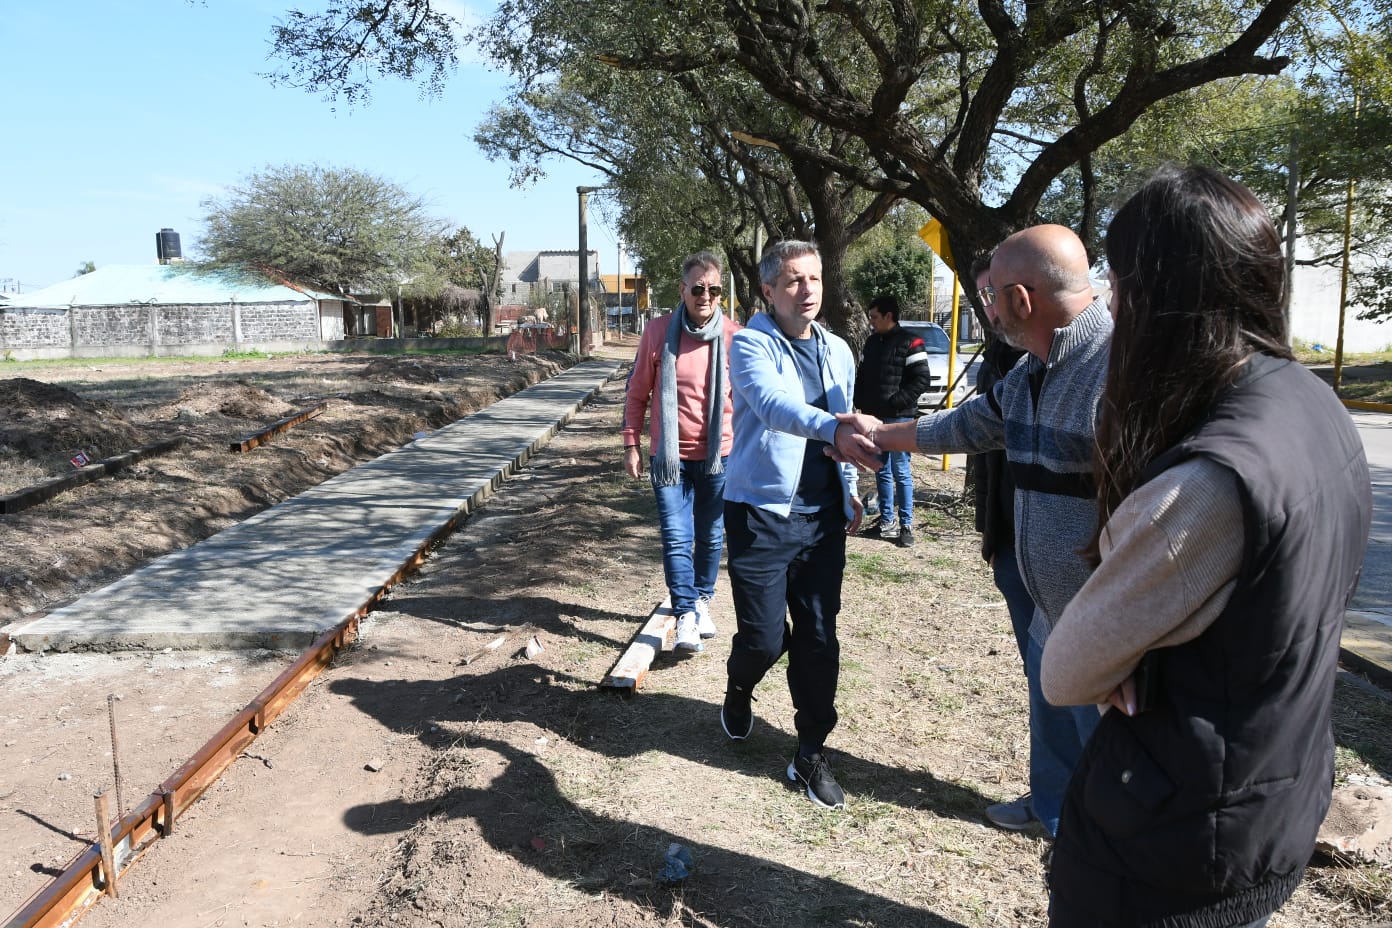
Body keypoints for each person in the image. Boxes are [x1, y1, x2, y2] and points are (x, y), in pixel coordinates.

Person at [1041, 165, 1371, 927]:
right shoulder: (1310, 400)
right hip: (1270, 796)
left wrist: (1127, 657)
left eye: (1120, 283)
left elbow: (1067, 670)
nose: (1112, 304)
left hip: (1174, 846)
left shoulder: (1207, 486)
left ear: (1161, 299)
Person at [848, 224, 1110, 837]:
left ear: (1021, 299)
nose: (987, 307)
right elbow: (968, 425)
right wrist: (880, 434)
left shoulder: (1118, 372)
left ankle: (1093, 842)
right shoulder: (1033, 368)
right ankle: (1052, 810)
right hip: (1051, 611)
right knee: (1051, 714)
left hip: (1104, 630)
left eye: (992, 296)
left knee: (1110, 760)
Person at [720, 239, 880, 810]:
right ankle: (740, 686)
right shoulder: (750, 344)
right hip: (760, 514)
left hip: (822, 518)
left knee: (818, 635)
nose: (807, 289)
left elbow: (846, 425)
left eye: (814, 278)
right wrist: (834, 428)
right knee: (764, 639)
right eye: (793, 280)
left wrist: (849, 488)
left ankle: (810, 751)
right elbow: (772, 406)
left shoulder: (838, 349)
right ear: (769, 290)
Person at [622, 251, 740, 652]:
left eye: (714, 289)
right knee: (676, 537)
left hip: (720, 457)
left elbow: (747, 400)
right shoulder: (658, 332)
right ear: (682, 290)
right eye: (698, 288)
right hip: (669, 458)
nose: (706, 296)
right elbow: (637, 393)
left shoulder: (735, 336)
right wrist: (631, 443)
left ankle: (702, 599)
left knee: (710, 535)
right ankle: (686, 614)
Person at [853, 294, 934, 548]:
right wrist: (859, 400)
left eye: (874, 317)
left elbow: (921, 379)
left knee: (901, 471)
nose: (871, 321)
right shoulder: (871, 342)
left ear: (889, 316)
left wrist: (897, 403)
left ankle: (906, 524)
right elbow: (862, 375)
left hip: (900, 419)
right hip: (874, 420)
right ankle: (886, 521)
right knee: (882, 470)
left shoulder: (911, 341)